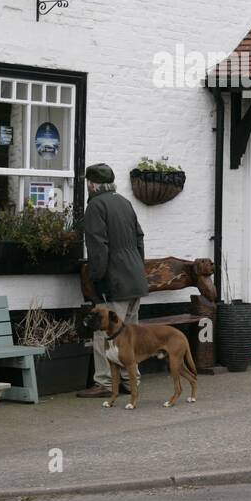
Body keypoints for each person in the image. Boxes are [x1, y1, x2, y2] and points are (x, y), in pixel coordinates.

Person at [76, 163, 149, 398]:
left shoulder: (96, 205)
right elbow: (139, 238)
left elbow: (98, 247)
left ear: (92, 184)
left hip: (114, 280)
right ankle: (130, 379)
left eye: (88, 182)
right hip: (135, 277)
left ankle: (105, 382)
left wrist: (97, 278)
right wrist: (138, 266)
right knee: (129, 333)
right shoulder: (124, 202)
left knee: (103, 331)